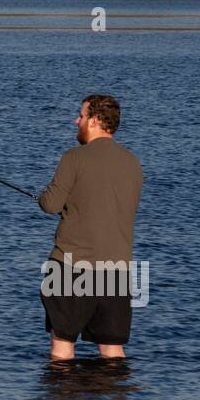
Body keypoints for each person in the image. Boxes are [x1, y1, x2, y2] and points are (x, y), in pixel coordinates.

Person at [37, 95, 144, 361]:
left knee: (62, 346)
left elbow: (50, 204)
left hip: (70, 266)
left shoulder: (73, 157)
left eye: (81, 116)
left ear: (95, 120)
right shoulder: (133, 163)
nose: (77, 120)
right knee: (112, 349)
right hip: (116, 270)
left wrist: (43, 197)